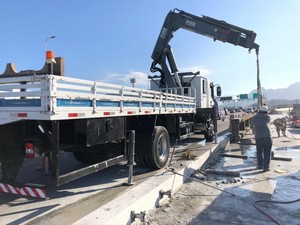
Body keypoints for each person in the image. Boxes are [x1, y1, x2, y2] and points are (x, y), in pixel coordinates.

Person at [251, 105, 273, 172]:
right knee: (267, 153)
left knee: (259, 152)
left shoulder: (254, 117)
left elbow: (251, 126)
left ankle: (260, 165)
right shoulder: (267, 117)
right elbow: (267, 123)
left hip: (258, 137)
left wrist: (255, 132)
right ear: (266, 112)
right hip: (267, 137)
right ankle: (266, 167)